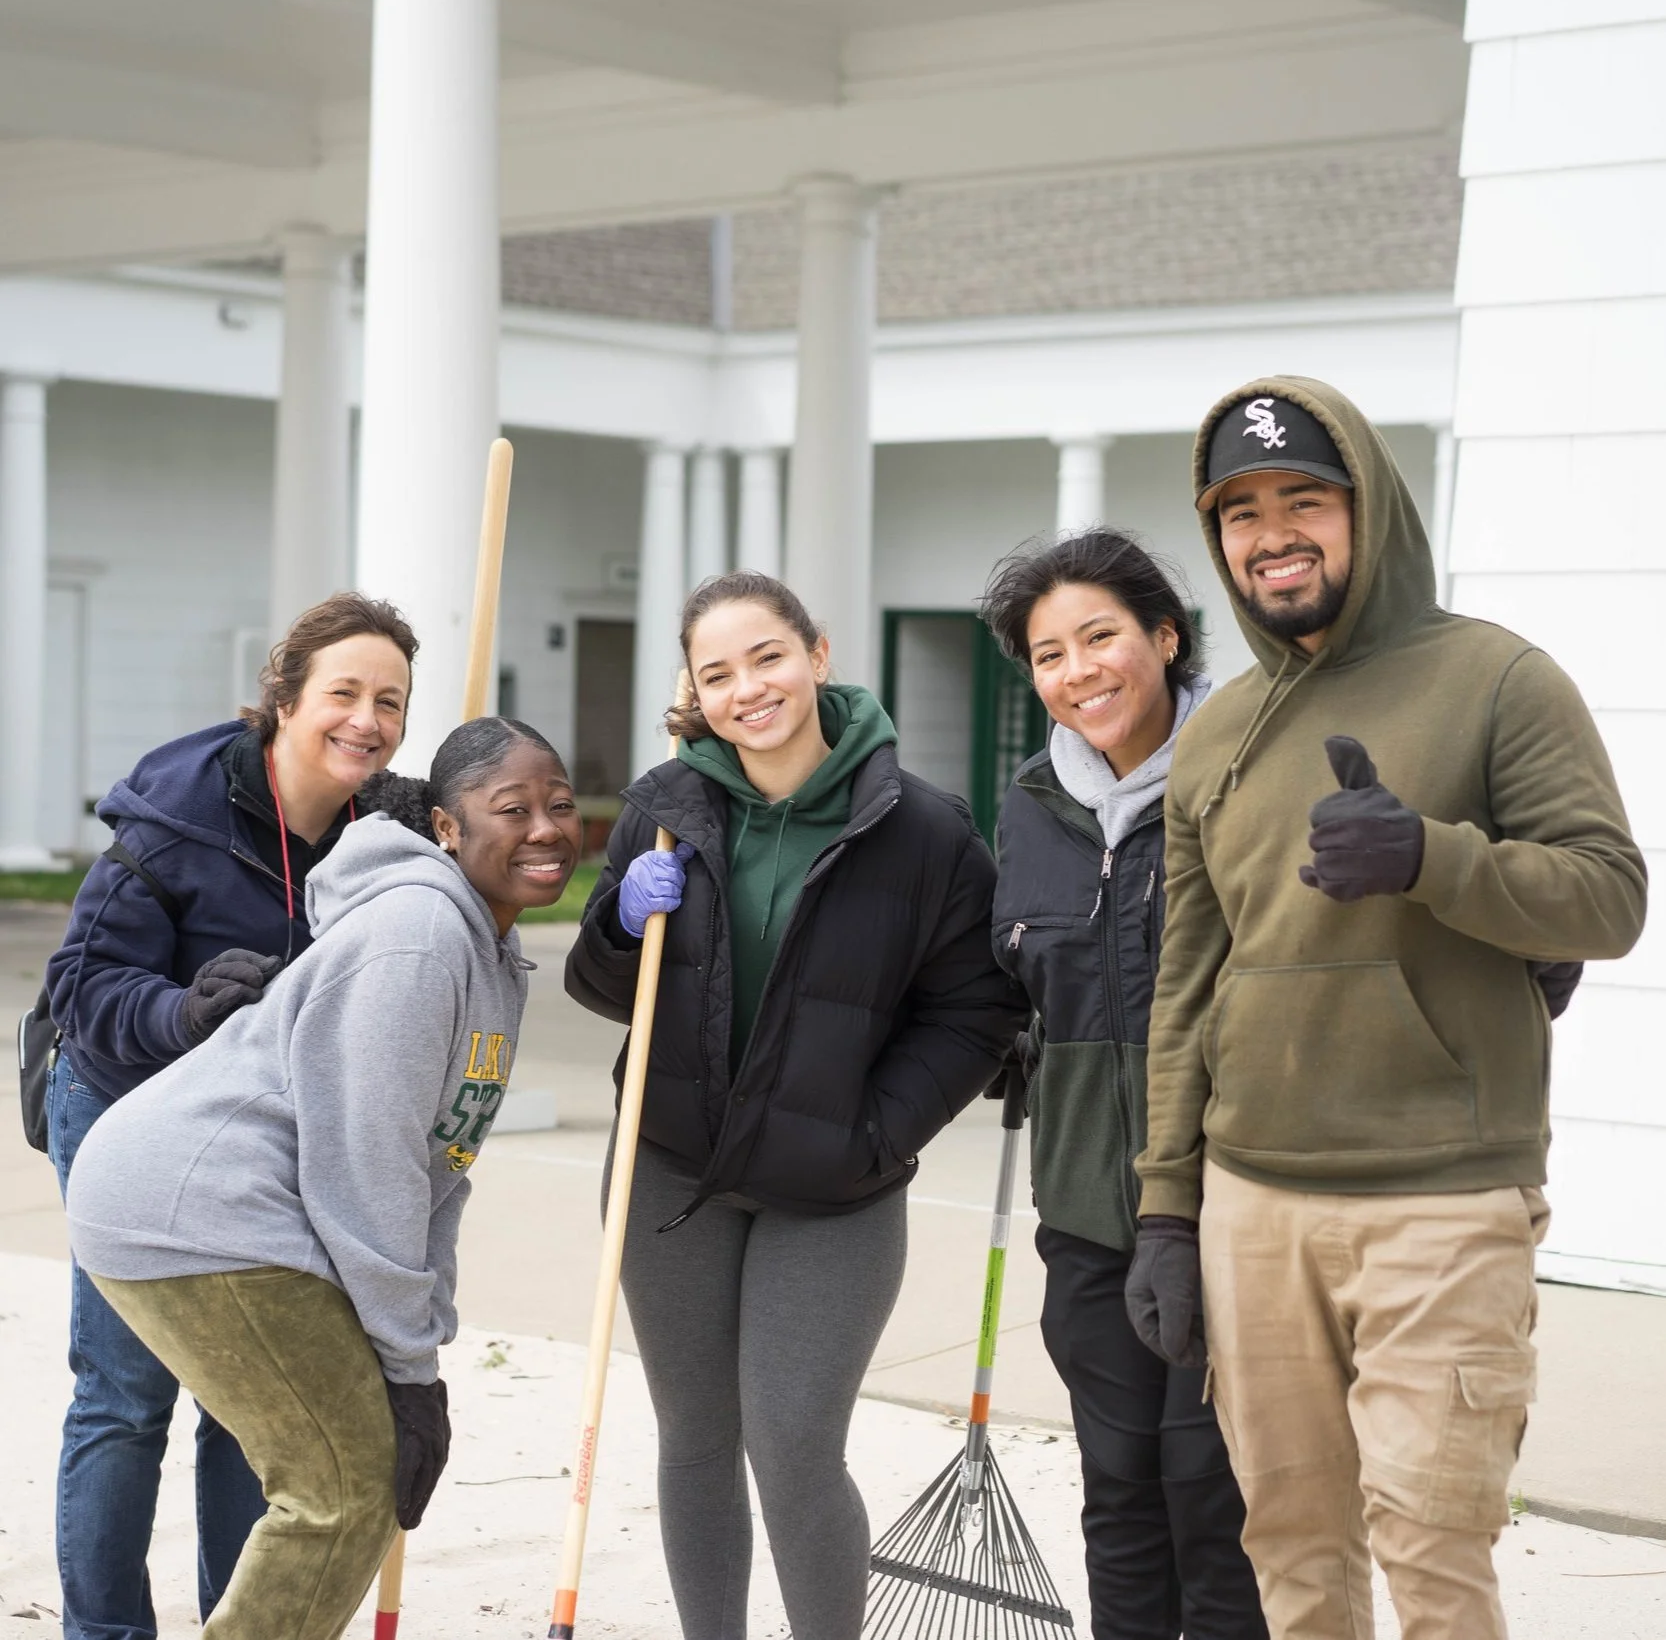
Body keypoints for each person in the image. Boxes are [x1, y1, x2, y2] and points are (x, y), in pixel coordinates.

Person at [1126, 377, 1647, 1639]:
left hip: (1442, 1198)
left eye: (1303, 497)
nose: (1271, 532)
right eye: (1239, 512)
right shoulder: (1218, 733)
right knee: (1294, 1554)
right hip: (1254, 1204)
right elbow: (1188, 979)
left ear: (1368, 506)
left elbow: (1608, 899)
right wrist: (1164, 1203)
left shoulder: (1498, 680)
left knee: (1431, 1544)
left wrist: (1431, 857)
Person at [565, 570, 1027, 1640]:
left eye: (766, 657)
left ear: (817, 654)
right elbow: (601, 987)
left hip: (831, 1192)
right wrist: (623, 926)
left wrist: (875, 1132)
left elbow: (972, 1012)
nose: (747, 689)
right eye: (716, 673)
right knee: (694, 1435)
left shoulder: (923, 831)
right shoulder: (664, 809)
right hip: (668, 1168)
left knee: (791, 1439)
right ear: (696, 689)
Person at [61, 716, 578, 1640]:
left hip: (242, 1215)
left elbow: (435, 1175)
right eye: (512, 808)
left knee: (349, 1474)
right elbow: (365, 1158)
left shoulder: (489, 952)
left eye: (561, 805)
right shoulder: (420, 934)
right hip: (196, 1211)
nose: (544, 827)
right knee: (342, 1489)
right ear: (447, 827)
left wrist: (417, 1349)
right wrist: (407, 1373)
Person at [42, 592, 417, 1640]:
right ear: (284, 699)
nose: (366, 718)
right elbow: (81, 984)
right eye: (342, 692)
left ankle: (236, 1617)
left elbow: (503, 815)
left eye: (389, 700)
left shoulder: (381, 822)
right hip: (124, 1107)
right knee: (126, 1397)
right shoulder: (179, 817)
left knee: (249, 1406)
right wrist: (185, 1007)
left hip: (259, 1136)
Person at [980, 529, 1266, 1640]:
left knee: (1214, 1493)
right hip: (1087, 1215)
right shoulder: (1027, 807)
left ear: (1164, 635)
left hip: (1228, 1204)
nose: (1077, 671)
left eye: (1100, 636)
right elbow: (1005, 973)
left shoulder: (1244, 773)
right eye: (1048, 654)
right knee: (1119, 1483)